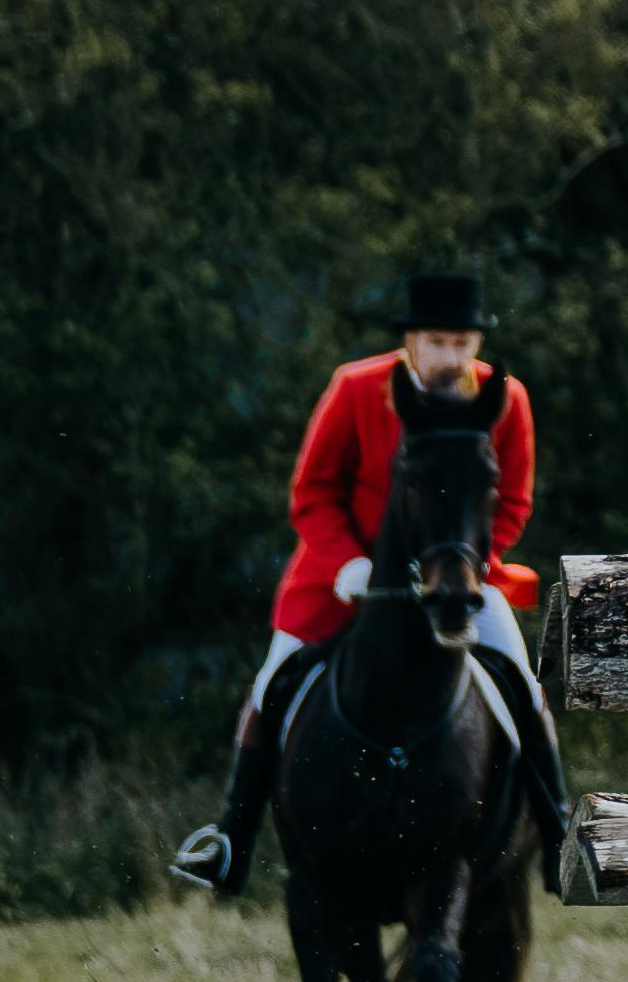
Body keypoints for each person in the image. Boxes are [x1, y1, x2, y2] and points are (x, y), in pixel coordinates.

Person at [173, 270, 566, 894]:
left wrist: (463, 562)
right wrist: (350, 565)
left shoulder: (505, 399)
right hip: (346, 579)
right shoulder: (356, 388)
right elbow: (313, 493)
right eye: (438, 343)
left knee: (523, 684)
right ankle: (229, 841)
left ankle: (559, 833)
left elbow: (511, 502)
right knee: (270, 684)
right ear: (410, 340)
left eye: (463, 344)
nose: (452, 358)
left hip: (456, 577)